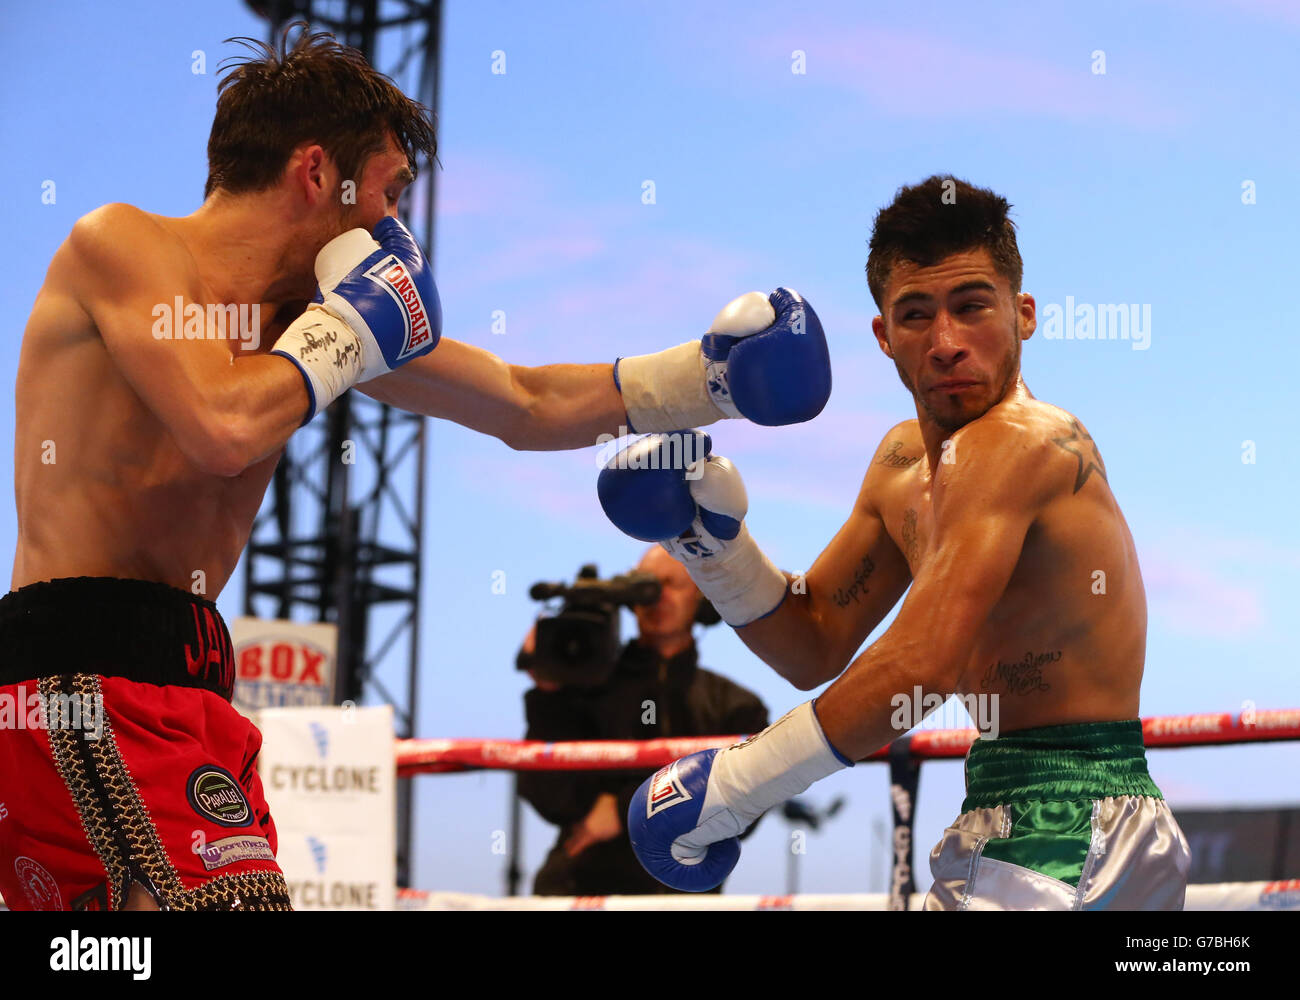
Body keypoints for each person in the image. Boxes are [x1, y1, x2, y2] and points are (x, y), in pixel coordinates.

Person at [0, 28, 830, 911]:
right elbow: (219, 426)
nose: (395, 229)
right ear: (316, 174)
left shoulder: (311, 326)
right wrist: (348, 334)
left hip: (192, 677)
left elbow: (522, 401)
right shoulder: (124, 246)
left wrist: (708, 378)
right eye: (390, 192)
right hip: (79, 680)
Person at [599, 176, 1192, 910]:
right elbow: (812, 644)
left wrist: (735, 786)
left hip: (1068, 820)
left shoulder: (1026, 442)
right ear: (883, 335)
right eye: (916, 315)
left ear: (1024, 314)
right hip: (1025, 812)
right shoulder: (902, 464)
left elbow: (922, 669)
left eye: (972, 306)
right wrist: (714, 550)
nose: (946, 344)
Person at [517, 547, 768, 896]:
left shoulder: (737, 707)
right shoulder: (584, 693)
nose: (658, 596)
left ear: (701, 596)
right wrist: (547, 696)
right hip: (583, 890)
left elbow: (742, 807)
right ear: (629, 597)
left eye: (672, 584)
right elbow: (550, 798)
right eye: (646, 586)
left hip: (688, 902)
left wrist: (621, 809)